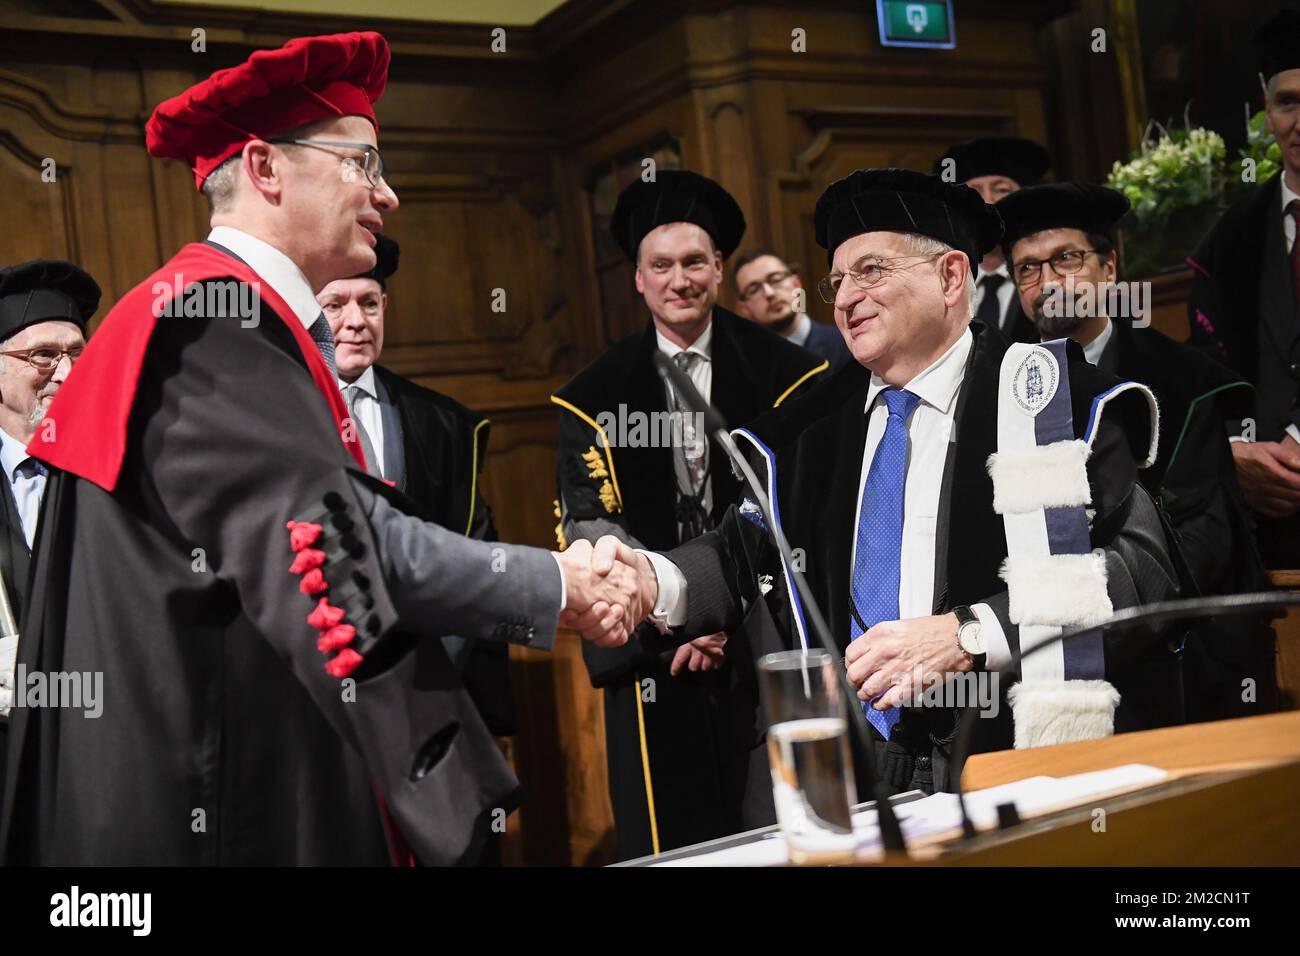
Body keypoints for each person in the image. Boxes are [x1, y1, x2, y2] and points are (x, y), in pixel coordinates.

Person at [0, 31, 642, 866]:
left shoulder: (221, 315)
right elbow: (342, 546)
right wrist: (560, 581)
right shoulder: (210, 324)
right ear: (267, 168)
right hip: (211, 812)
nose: (389, 195)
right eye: (363, 163)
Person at [586, 169, 1181, 797]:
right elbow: (739, 553)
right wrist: (651, 579)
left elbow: (1145, 569)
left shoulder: (1048, 400)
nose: (844, 298)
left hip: (998, 740)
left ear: (952, 277)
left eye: (871, 272)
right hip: (851, 755)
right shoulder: (810, 424)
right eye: (837, 281)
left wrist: (970, 634)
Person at [553, 170, 827, 859]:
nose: (681, 279)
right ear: (638, 280)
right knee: (677, 845)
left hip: (771, 645)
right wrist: (672, 620)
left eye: (696, 262)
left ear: (719, 268)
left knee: (796, 834)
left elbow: (801, 508)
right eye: (662, 265)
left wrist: (719, 616)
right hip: (654, 658)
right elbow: (588, 522)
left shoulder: (786, 375)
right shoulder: (594, 395)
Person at [1000, 182, 1273, 721]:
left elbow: (1202, 538)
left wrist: (1086, 616)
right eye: (1027, 268)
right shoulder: (1005, 389)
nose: (1048, 282)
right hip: (1038, 660)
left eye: (1066, 259)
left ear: (1109, 268)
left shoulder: (1184, 383)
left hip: (1169, 656)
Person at [319, 234, 514, 741]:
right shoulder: (280, 418)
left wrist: (433, 673)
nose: (356, 322)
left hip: (436, 690)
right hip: (327, 699)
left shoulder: (444, 424)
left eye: (368, 303)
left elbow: (476, 555)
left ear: (385, 307)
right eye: (334, 305)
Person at [1187, 8, 1300, 568]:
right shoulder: (1229, 238)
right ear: (1267, 110)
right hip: (1271, 522)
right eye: (1287, 102)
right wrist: (1237, 450)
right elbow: (1204, 368)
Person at [0, 259, 95, 820]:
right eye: (43, 356)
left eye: (77, 354)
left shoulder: (121, 474)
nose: (65, 373)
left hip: (105, 750)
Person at [932, 136, 1050, 343]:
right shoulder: (939, 283)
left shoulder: (1050, 277)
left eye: (1002, 190)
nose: (988, 201)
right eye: (975, 192)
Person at [732, 248, 852, 369]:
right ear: (745, 308)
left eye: (776, 279)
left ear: (796, 284)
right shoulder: (748, 368)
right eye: (754, 290)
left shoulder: (846, 344)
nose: (769, 293)